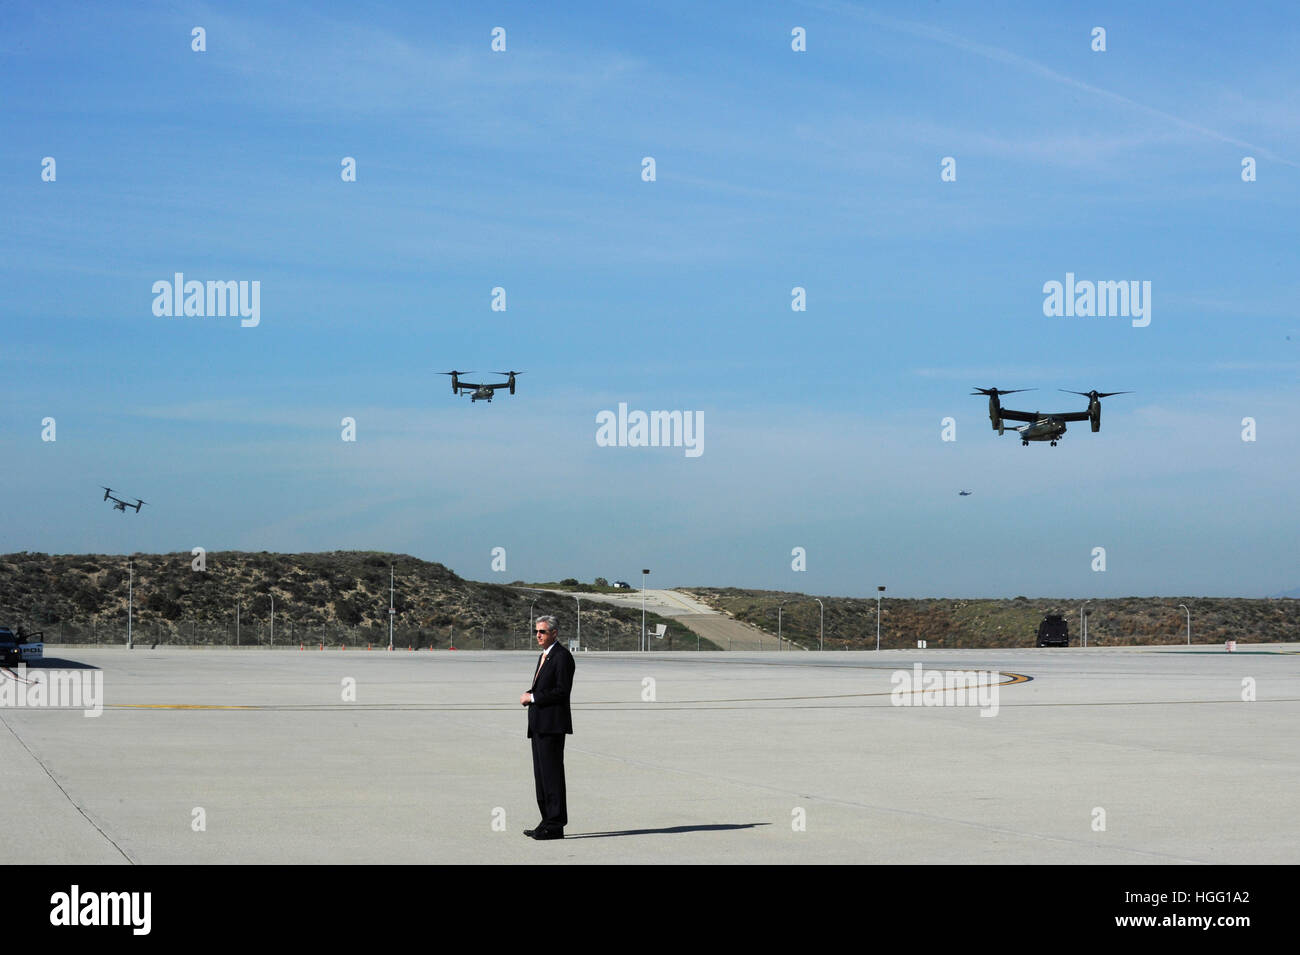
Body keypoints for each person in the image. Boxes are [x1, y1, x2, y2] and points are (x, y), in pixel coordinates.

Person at [519, 615, 574, 840]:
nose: (538, 635)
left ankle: (556, 824)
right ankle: (546, 821)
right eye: (536, 631)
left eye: (542, 631)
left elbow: (562, 691)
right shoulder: (545, 656)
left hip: (552, 725)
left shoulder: (562, 657)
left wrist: (532, 698)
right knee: (541, 777)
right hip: (539, 725)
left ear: (554, 633)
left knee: (552, 777)